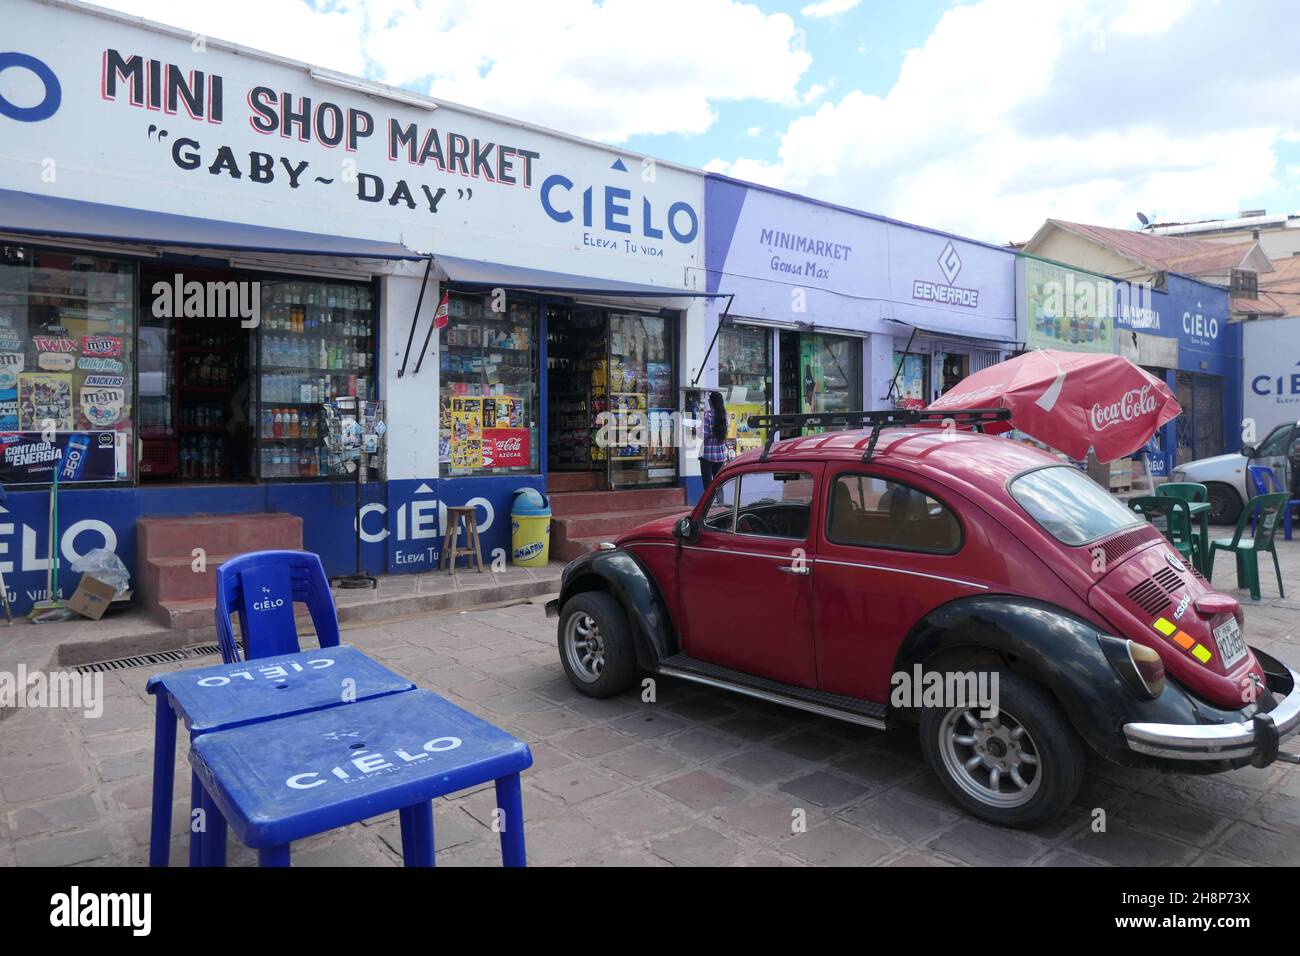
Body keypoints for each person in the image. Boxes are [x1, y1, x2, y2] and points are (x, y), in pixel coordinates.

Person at [697, 391, 728, 486]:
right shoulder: (725, 416)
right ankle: (720, 501)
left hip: (707, 456)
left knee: (708, 488)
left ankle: (710, 501)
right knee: (719, 486)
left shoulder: (707, 416)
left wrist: (695, 429)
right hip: (721, 456)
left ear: (711, 402)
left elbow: (702, 435)